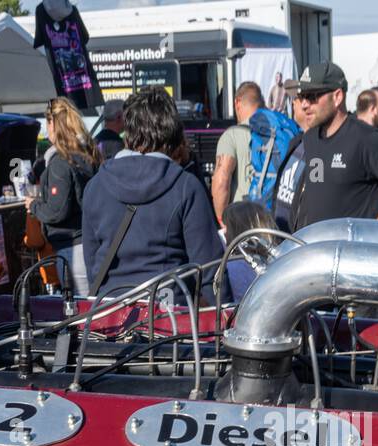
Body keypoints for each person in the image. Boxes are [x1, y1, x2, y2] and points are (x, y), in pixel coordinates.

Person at [80, 87, 223, 298]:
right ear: (173, 132)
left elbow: (93, 266)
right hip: (171, 316)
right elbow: (210, 271)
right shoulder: (185, 186)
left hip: (109, 315)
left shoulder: (95, 186)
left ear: (127, 130)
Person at [288, 63, 378, 231]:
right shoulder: (311, 137)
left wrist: (375, 232)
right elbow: (317, 193)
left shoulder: (365, 138)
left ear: (337, 97)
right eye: (302, 96)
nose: (304, 104)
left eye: (312, 96)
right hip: (316, 250)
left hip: (349, 254)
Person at [28, 97, 100, 295]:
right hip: (91, 242)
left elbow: (56, 211)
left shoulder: (62, 161)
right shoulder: (87, 155)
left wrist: (33, 205)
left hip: (73, 247)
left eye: (47, 122)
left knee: (81, 311)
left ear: (53, 123)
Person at [212, 82, 264, 222]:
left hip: (242, 221)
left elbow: (221, 181)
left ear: (237, 102)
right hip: (271, 218)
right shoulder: (276, 133)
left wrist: (222, 219)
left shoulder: (231, 136)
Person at [271, 81, 316, 232]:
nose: (295, 105)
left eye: (295, 100)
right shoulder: (297, 142)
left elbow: (316, 200)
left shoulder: (320, 150)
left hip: (301, 242)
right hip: (282, 239)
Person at [221, 201, 278, 301]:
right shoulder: (275, 259)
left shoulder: (231, 267)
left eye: (226, 227)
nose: (223, 232)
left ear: (236, 230)